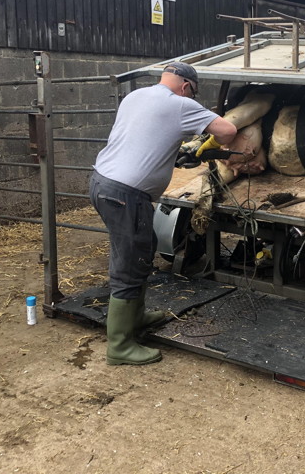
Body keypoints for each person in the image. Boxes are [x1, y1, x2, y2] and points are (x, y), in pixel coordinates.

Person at [89, 62, 237, 366]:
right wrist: (205, 143)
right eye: (193, 93)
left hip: (102, 182)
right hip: (125, 194)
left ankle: (136, 316)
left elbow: (147, 136)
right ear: (186, 87)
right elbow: (228, 131)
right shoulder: (180, 104)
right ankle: (120, 345)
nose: (192, 97)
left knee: (145, 246)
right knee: (130, 261)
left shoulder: (135, 97)